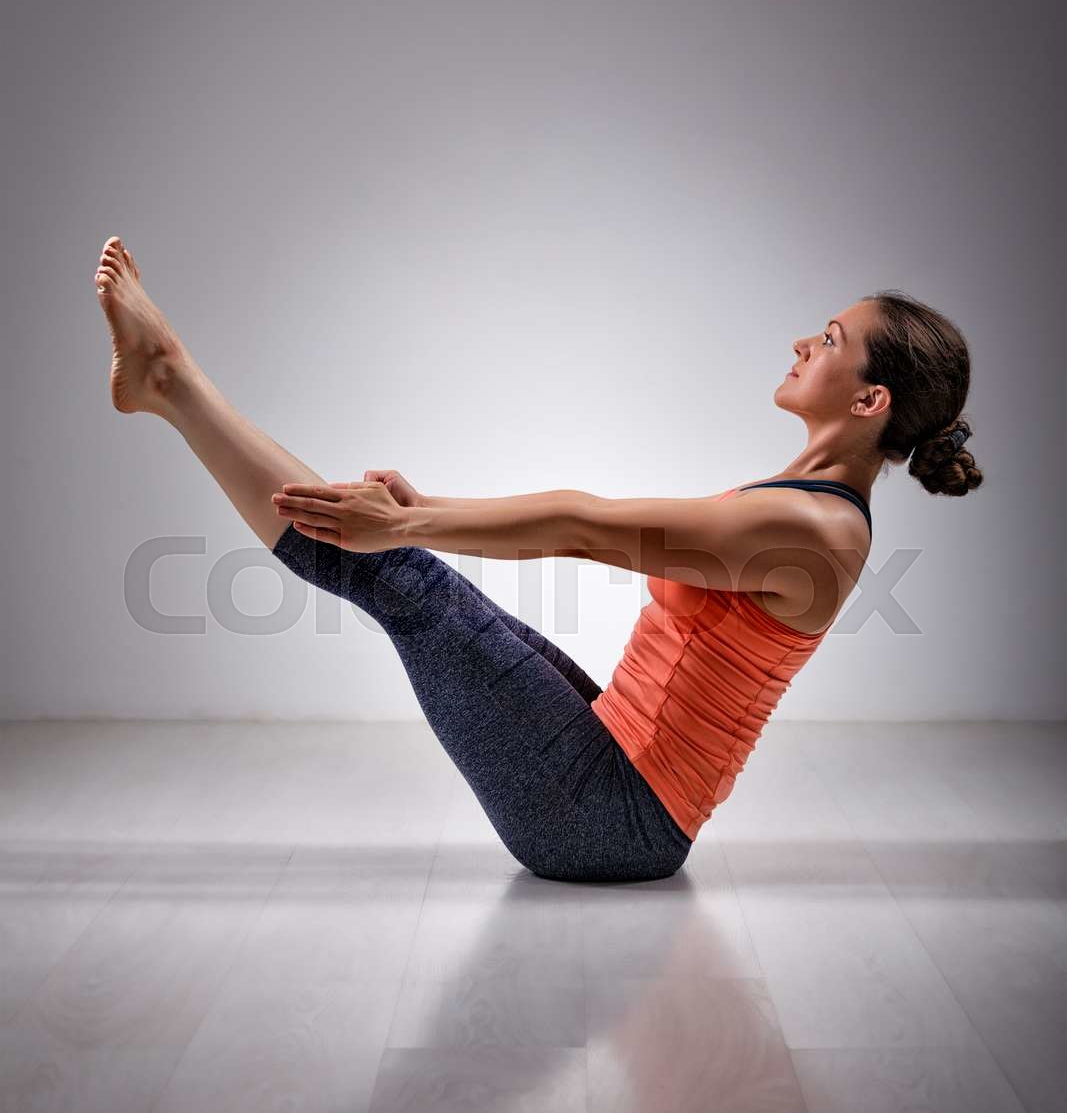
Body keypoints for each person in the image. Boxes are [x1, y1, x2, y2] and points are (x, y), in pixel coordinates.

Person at [93, 237, 982, 883]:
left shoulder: (813, 531)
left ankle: (170, 381)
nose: (801, 342)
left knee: (395, 574)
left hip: (609, 823)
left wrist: (410, 524)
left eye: (827, 340)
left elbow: (582, 527)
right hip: (613, 766)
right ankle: (170, 385)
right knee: (406, 568)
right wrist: (416, 516)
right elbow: (583, 523)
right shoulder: (803, 505)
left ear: (870, 398)